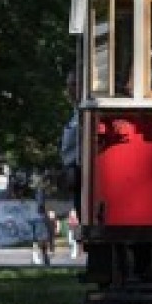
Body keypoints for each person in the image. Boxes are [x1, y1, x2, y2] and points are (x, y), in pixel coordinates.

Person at [60, 72, 81, 218]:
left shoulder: (82, 113)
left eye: (73, 84)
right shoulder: (75, 113)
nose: (69, 90)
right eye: (68, 85)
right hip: (75, 174)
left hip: (80, 172)